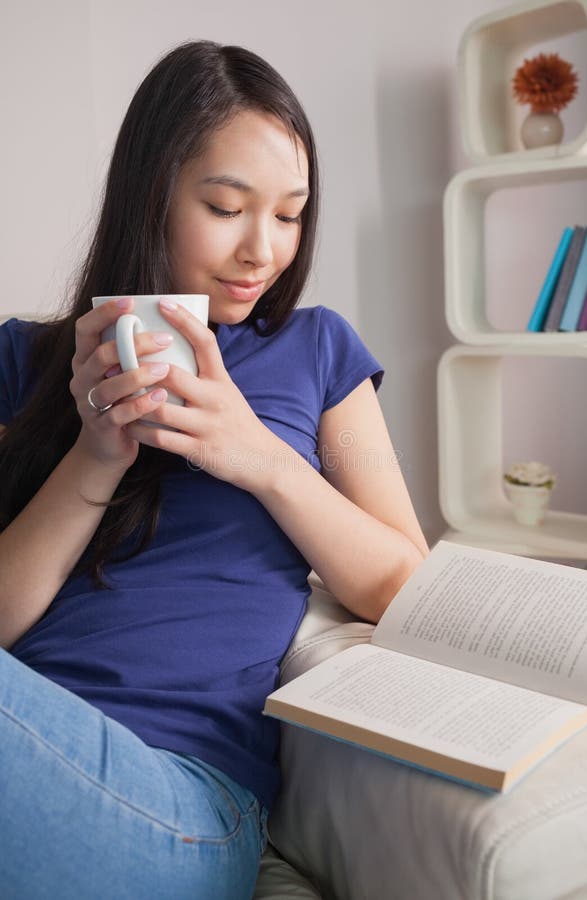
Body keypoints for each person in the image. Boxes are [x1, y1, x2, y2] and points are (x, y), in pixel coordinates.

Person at [0, 40, 428, 899]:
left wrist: (259, 457)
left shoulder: (316, 352)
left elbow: (403, 582)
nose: (262, 251)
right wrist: (95, 453)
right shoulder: (26, 360)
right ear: (151, 194)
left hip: (181, 806)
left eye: (290, 214)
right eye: (228, 207)